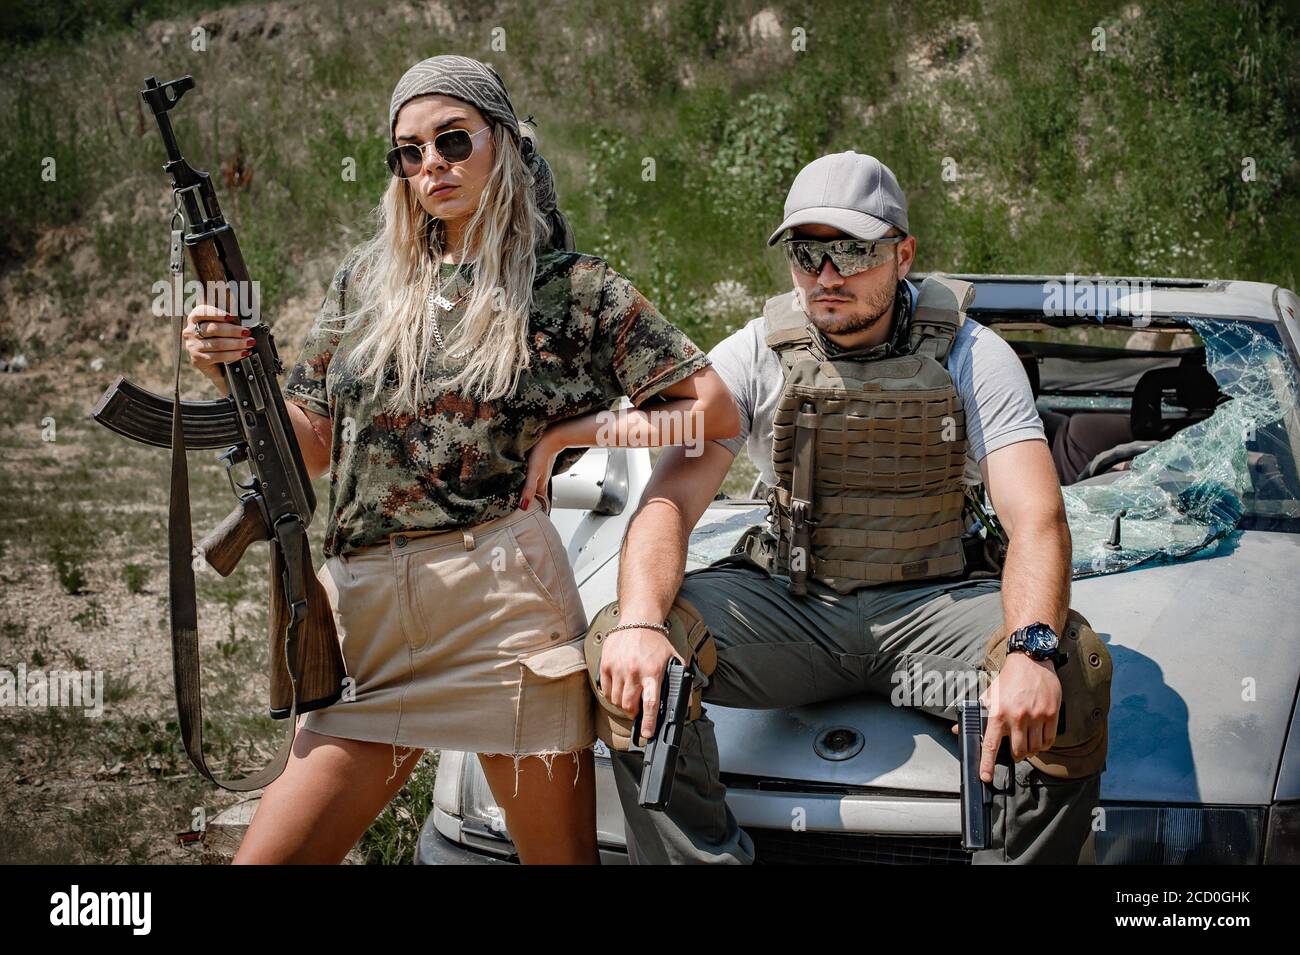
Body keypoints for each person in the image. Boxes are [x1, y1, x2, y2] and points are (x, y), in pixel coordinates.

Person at [182, 54, 739, 864]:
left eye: (452, 141)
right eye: (409, 152)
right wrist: (236, 373)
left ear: (503, 144)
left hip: (504, 615)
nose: (431, 165)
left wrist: (572, 436)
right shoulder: (365, 285)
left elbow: (710, 408)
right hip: (368, 621)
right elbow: (312, 438)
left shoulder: (570, 288)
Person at [589, 151, 1112, 864]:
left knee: (1073, 664)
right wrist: (646, 624)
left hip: (932, 612)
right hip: (794, 610)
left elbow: (1037, 517)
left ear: (903, 254)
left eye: (852, 251)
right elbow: (670, 502)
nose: (826, 277)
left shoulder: (972, 353)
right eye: (808, 254)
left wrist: (1028, 649)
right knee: (621, 644)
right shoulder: (756, 352)